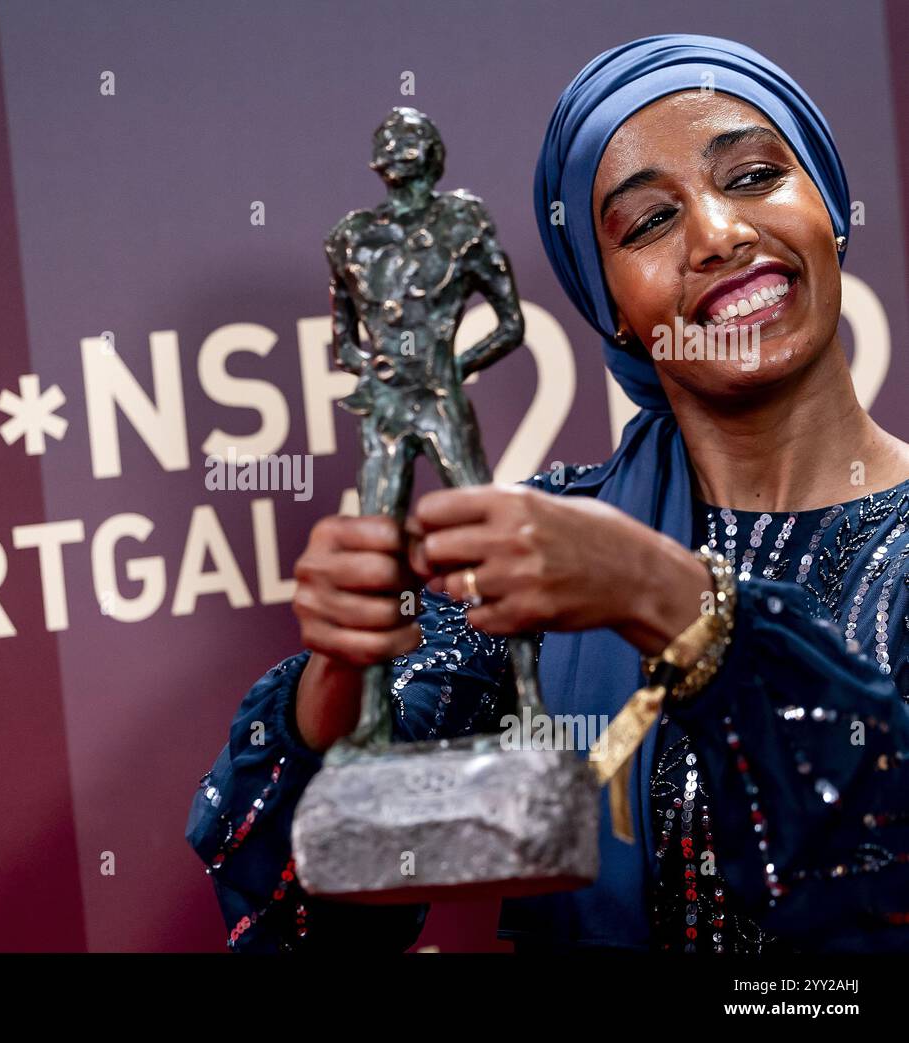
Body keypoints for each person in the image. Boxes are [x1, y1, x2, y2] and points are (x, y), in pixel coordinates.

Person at [185, 33, 909, 953]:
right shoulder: (543, 552)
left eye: (756, 175)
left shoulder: (594, 556)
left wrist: (664, 596)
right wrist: (340, 675)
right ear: (606, 304)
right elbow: (311, 920)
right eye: (648, 223)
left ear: (829, 211)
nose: (719, 235)